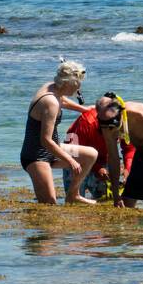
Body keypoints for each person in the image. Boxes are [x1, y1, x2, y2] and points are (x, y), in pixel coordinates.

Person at [20, 60, 99, 205]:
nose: (79, 87)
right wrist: (70, 160)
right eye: (77, 83)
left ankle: (73, 195)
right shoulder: (50, 103)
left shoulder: (51, 87)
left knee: (90, 154)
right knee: (49, 203)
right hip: (36, 156)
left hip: (53, 149)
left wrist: (84, 109)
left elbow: (63, 100)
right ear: (67, 83)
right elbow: (46, 140)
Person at [62, 106, 136, 200]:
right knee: (73, 200)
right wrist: (97, 168)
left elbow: (129, 149)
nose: (115, 137)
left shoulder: (124, 123)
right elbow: (74, 154)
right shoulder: (86, 122)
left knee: (110, 197)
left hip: (102, 159)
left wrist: (127, 169)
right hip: (75, 160)